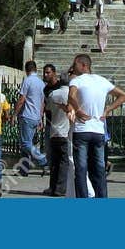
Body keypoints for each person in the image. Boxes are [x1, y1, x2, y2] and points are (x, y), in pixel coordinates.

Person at [67, 52, 125, 199]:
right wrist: (108, 109)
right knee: (99, 168)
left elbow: (71, 96)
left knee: (81, 168)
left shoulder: (77, 80)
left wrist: (78, 110)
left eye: (75, 65)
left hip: (82, 130)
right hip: (98, 130)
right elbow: (123, 95)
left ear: (83, 65)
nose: (73, 68)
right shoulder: (102, 81)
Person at [42, 65, 73, 196]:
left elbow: (47, 110)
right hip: (65, 132)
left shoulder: (52, 94)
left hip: (54, 131)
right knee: (64, 161)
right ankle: (60, 189)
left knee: (54, 161)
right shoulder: (72, 95)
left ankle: (52, 187)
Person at [13, 61, 48, 178]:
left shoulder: (27, 81)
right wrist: (40, 117)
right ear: (36, 69)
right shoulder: (41, 83)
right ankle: (24, 168)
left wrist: (14, 114)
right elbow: (43, 102)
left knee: (25, 143)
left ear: (26, 69)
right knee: (27, 143)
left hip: (27, 115)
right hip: (36, 116)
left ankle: (43, 160)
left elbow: (22, 99)